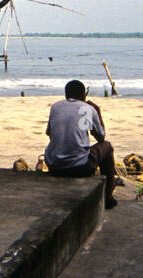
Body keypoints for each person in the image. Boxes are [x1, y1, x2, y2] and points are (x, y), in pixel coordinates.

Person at [44, 80, 118, 209]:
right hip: (80, 167)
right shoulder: (88, 109)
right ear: (84, 94)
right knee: (107, 146)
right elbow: (101, 137)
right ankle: (108, 196)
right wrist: (97, 112)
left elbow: (49, 133)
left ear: (66, 95)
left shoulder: (55, 107)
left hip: (54, 165)